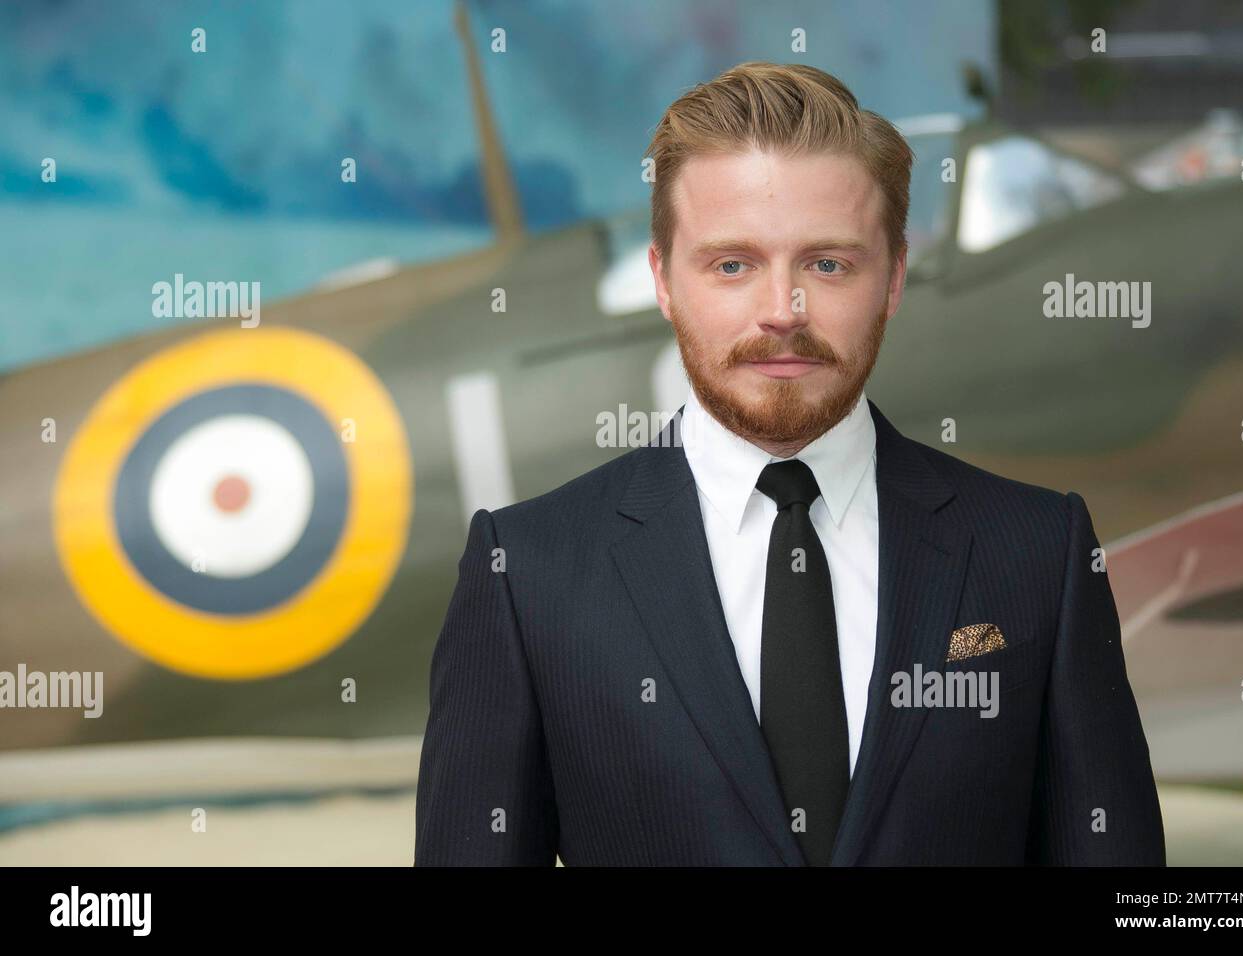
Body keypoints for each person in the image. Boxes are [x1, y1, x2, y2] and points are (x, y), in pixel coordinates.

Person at [415, 61, 1165, 866]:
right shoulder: (524, 572)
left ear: (895, 278)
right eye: (732, 264)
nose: (782, 312)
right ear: (664, 280)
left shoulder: (1040, 551)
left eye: (828, 264)